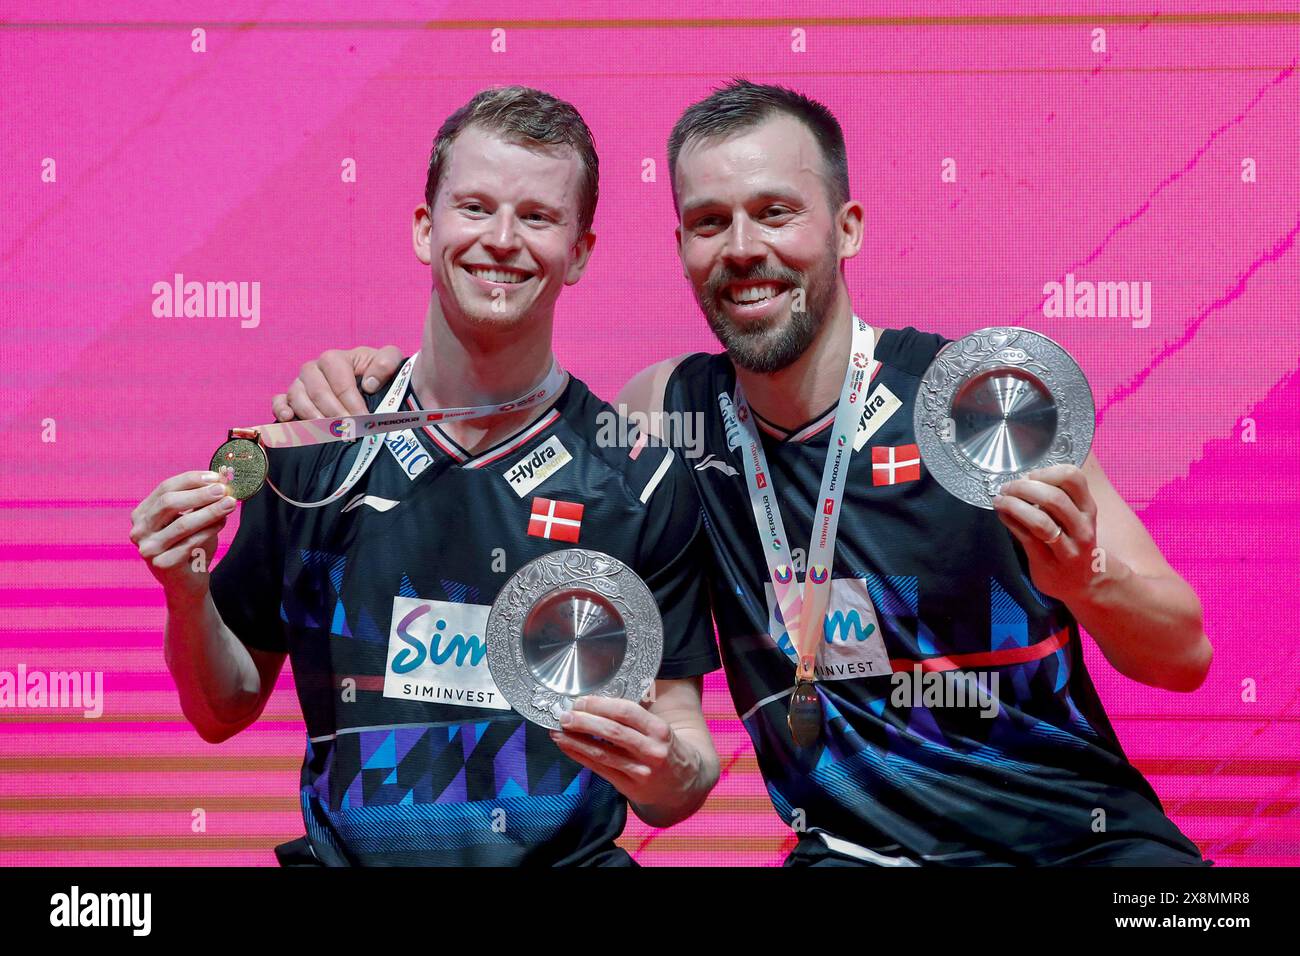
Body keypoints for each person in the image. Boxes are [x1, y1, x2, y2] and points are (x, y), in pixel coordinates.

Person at [276, 81, 1212, 867]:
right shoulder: (666, 421)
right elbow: (498, 400)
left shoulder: (975, 400)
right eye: (707, 223)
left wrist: (1082, 578)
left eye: (775, 213)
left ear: (846, 227)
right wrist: (370, 381)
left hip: (1082, 846)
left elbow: (1183, 655)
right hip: (853, 858)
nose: (742, 249)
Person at [130, 86, 721, 866]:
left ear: (579, 253)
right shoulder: (311, 448)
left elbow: (678, 769)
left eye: (538, 217)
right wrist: (185, 590)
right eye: (474, 208)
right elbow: (222, 707)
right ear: (424, 228)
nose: (502, 241)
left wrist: (669, 769)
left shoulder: (640, 478)